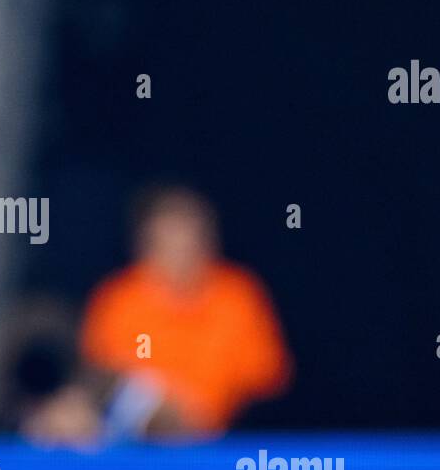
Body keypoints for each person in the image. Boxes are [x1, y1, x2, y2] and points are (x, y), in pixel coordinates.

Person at [80, 187, 293, 438]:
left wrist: (204, 411)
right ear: (144, 246)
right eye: (167, 244)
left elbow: (267, 379)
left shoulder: (238, 296)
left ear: (209, 243)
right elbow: (101, 377)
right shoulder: (118, 300)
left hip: (227, 445)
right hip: (135, 443)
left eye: (189, 242)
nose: (179, 255)